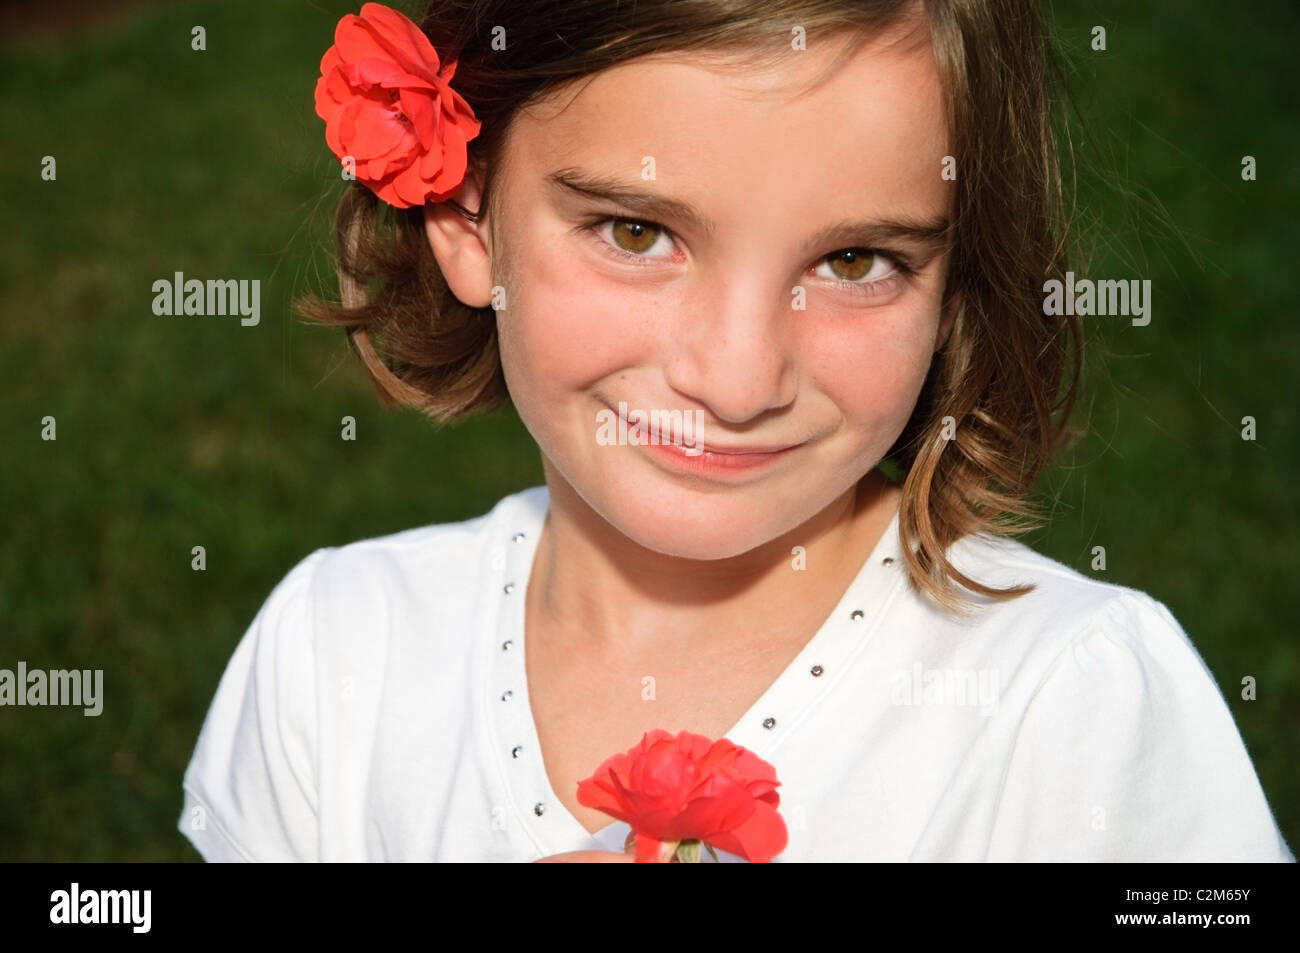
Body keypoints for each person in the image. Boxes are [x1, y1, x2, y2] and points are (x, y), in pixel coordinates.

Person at [176, 0, 1294, 862]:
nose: (737, 373)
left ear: (956, 281)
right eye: (634, 229)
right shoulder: (337, 659)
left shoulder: (1076, 700)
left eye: (854, 262)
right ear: (466, 218)